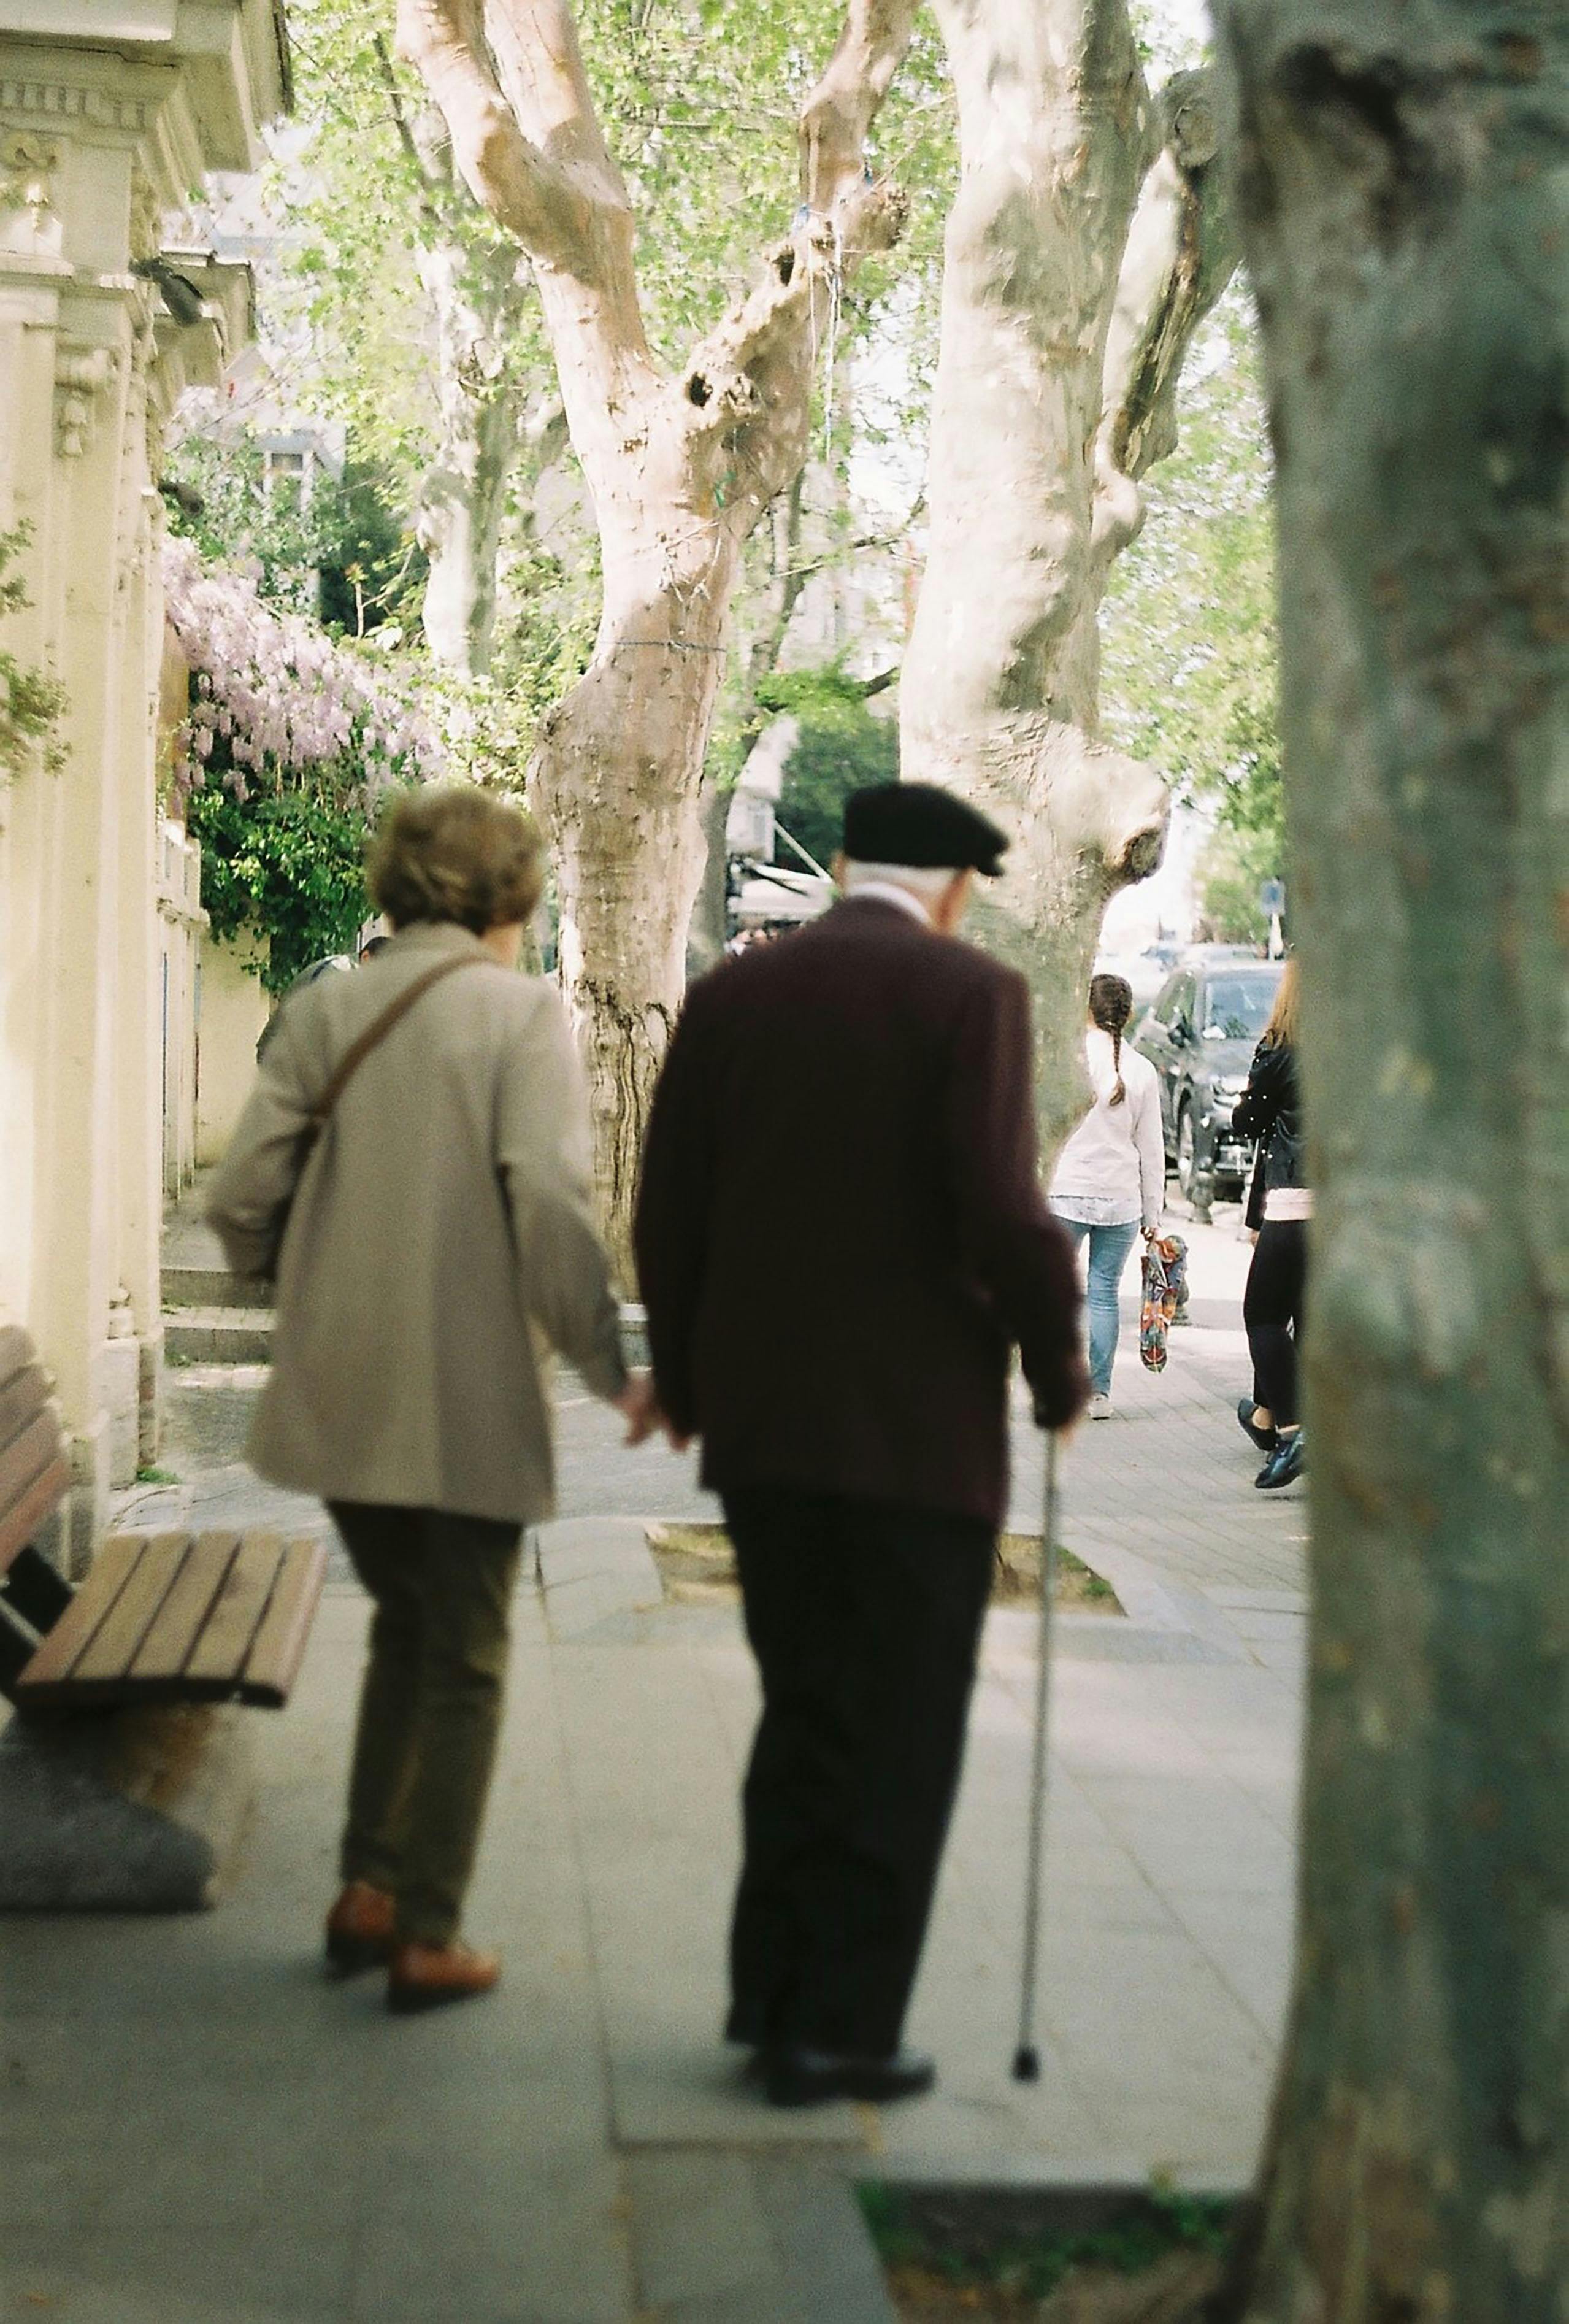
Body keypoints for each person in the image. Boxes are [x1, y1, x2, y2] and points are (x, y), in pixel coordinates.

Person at [634, 781, 1088, 2109]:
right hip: (914, 1442)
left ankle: (770, 1999)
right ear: (954, 886)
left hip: (770, 1436)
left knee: (804, 1714)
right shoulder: (970, 996)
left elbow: (670, 1211)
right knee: (897, 1735)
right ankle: (838, 2028)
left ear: (841, 865)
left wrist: (688, 1375)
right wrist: (1058, 1366)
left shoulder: (732, 996)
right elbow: (1004, 1209)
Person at [209, 785, 649, 2012]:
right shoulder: (519, 1018)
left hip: (336, 1396)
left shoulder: (323, 1008)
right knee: (463, 1654)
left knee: (410, 1627)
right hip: (464, 1398)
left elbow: (241, 1197)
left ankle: (368, 1885)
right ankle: (426, 1931)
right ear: (511, 891)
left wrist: (305, 1291)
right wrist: (611, 1368)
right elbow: (551, 1211)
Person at [1049, 973, 1166, 1417]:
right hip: (1121, 1201)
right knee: (1103, 1294)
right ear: (1128, 1014)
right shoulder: (1142, 1070)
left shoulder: (1069, 1061)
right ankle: (1099, 1393)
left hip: (1067, 1192)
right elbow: (1152, 1151)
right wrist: (1152, 1214)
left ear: (1086, 1009)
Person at [1233, 956, 1308, 1490]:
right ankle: (1264, 1418)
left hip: (1293, 1204)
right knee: (1305, 1317)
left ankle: (1293, 1428)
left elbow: (1246, 1122)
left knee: (1261, 1313)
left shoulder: (1280, 1053)